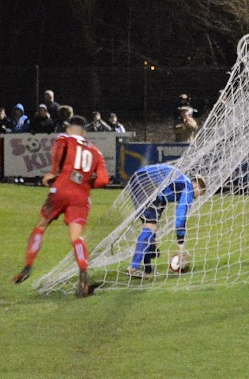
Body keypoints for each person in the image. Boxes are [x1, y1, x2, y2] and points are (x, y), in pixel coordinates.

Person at [14, 115, 109, 297]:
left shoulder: (65, 139)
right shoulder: (96, 152)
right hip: (81, 196)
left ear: (69, 128)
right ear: (85, 132)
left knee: (41, 225)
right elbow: (104, 180)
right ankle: (83, 274)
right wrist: (85, 183)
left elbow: (58, 150)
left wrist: (52, 173)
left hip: (61, 189)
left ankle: (28, 265)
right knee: (76, 237)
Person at [123, 163, 206, 278]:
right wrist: (181, 244)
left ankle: (147, 268)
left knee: (150, 229)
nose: (195, 197)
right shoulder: (188, 187)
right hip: (147, 182)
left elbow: (162, 198)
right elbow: (181, 216)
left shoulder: (178, 182)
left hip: (141, 180)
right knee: (150, 226)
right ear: (196, 186)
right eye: (197, 194)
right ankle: (133, 267)